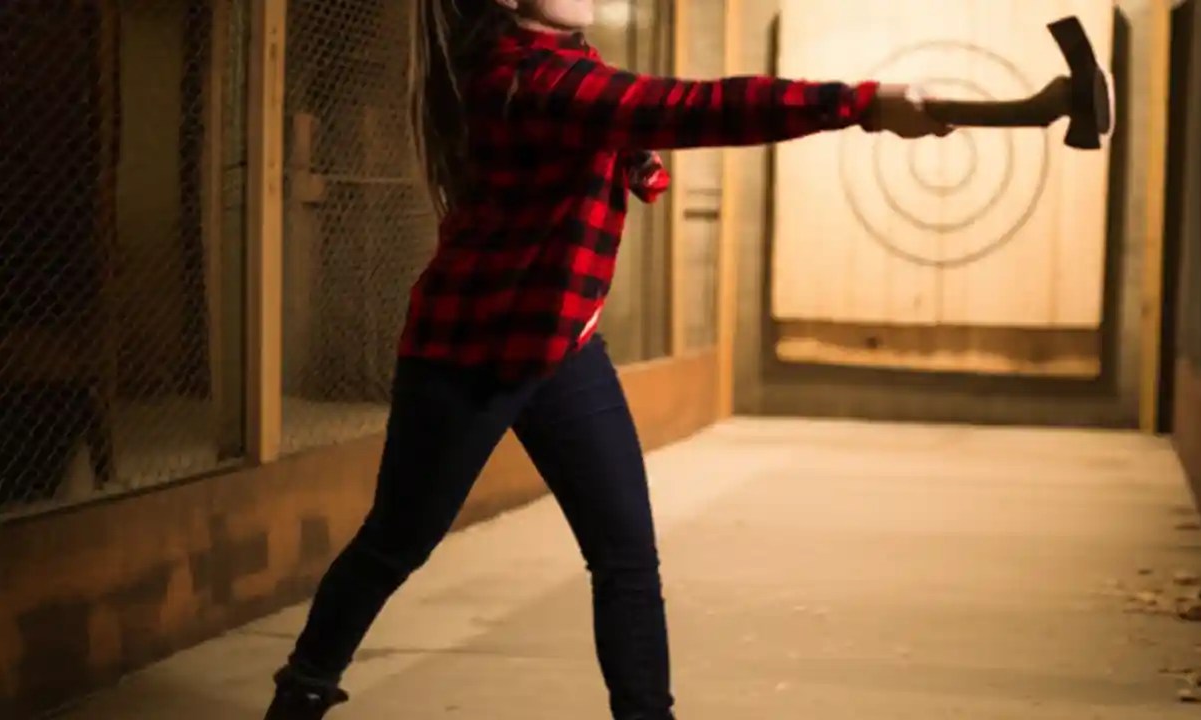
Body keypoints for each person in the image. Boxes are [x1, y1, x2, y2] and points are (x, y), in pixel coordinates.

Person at [264, 1, 952, 718]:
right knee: (395, 542)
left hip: (560, 344)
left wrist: (632, 154)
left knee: (626, 558)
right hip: (471, 352)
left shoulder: (571, 69)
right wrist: (862, 105)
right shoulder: (533, 81)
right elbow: (696, 108)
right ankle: (301, 693)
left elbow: (628, 125)